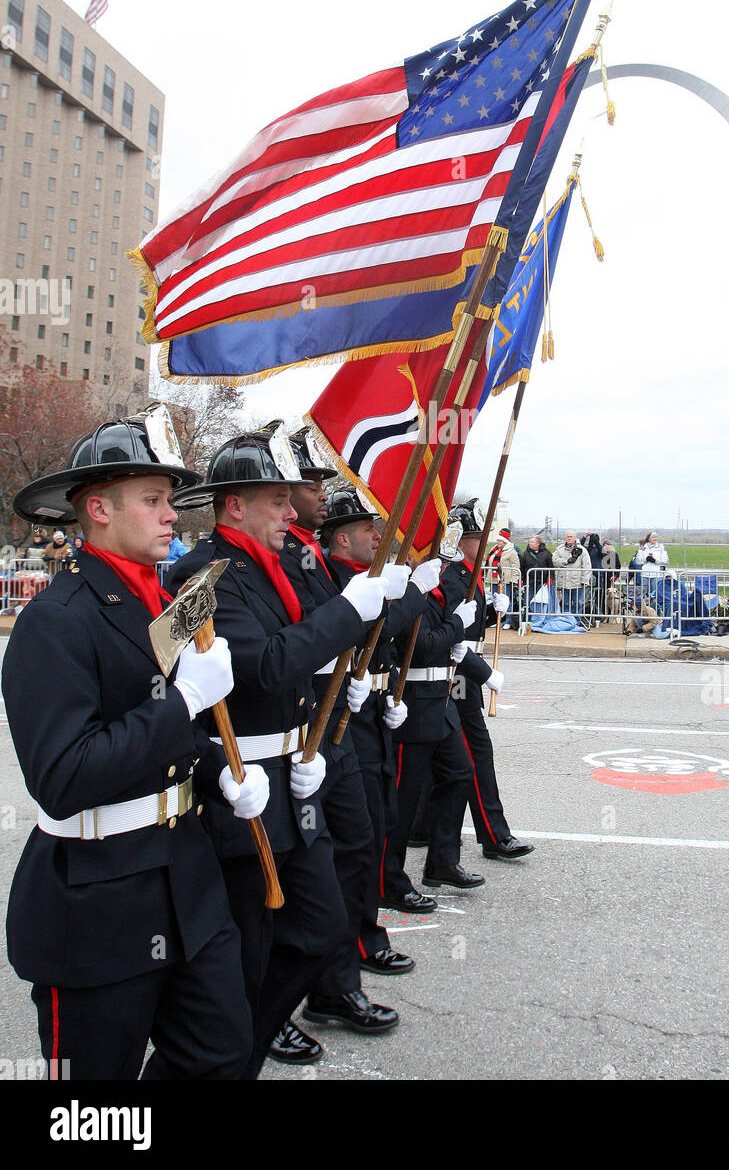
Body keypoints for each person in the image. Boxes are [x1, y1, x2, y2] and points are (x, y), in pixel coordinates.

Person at [3, 408, 255, 1080]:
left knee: (222, 1053)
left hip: (184, 878)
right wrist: (184, 704)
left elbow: (155, 732)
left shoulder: (159, 605)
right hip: (97, 899)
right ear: (99, 510)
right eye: (152, 500)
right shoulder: (53, 622)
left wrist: (217, 772)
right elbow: (63, 774)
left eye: (169, 500)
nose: (172, 514)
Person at [169, 424, 398, 1072]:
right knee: (248, 944)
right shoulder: (200, 576)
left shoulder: (277, 569)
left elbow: (299, 664)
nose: (289, 509)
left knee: (321, 926)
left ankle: (248, 1040)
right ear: (234, 505)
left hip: (294, 771)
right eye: (275, 500)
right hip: (239, 782)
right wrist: (350, 610)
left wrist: (313, 744)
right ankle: (232, 1053)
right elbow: (266, 664)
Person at [276, 429, 413, 1041]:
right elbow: (278, 651)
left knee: (357, 845)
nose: (314, 494)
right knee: (285, 878)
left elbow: (346, 630)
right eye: (305, 485)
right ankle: (277, 1004)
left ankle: (338, 980)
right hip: (285, 741)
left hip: (332, 725)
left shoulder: (305, 558)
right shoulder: (254, 565)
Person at [319, 486, 441, 973]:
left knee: (380, 820)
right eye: (368, 529)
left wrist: (388, 693)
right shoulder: (337, 577)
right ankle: (361, 942)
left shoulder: (360, 576)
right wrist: (416, 590)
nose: (377, 535)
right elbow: (380, 624)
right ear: (341, 540)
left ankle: (362, 937)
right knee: (360, 833)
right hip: (346, 720)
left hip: (374, 711)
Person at [381, 522, 479, 909]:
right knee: (402, 801)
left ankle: (442, 861)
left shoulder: (437, 591)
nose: (440, 561)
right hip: (414, 702)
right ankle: (390, 878)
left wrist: (468, 620)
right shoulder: (406, 592)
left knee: (459, 774)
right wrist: (458, 626)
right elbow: (421, 648)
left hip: (442, 701)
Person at [441, 500, 534, 868]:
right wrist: (486, 674)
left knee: (443, 764)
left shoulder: (470, 575)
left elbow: (472, 629)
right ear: (461, 540)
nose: (486, 545)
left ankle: (418, 828)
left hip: (467, 677)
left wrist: (495, 613)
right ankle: (494, 836)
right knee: (477, 757)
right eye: (479, 538)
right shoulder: (453, 577)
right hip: (457, 680)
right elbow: (453, 640)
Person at [551, 530, 592, 617]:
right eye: (567, 537)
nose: (569, 538)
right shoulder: (559, 549)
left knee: (578, 603)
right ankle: (566, 620)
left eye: (571, 537)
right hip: (564, 581)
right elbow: (554, 561)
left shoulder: (583, 550)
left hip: (577, 582)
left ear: (575, 538)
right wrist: (566, 561)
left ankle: (577, 621)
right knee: (565, 603)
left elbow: (587, 566)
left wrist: (585, 580)